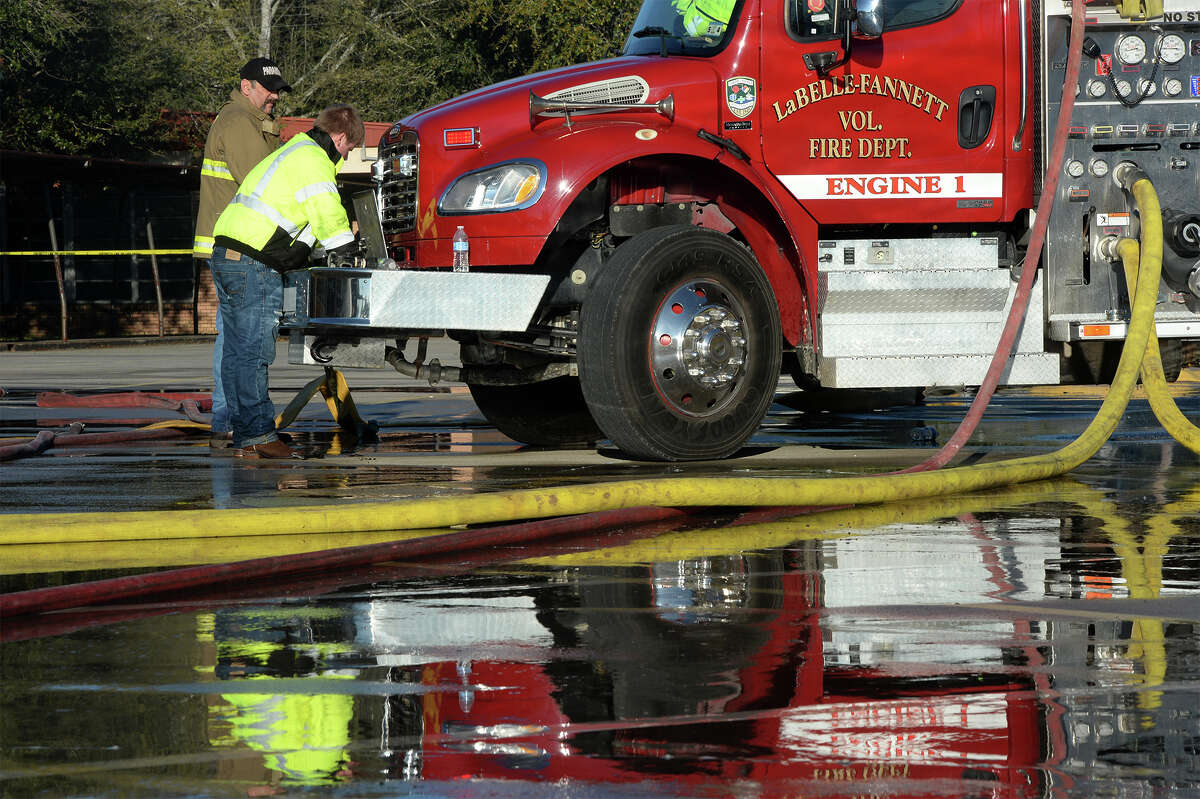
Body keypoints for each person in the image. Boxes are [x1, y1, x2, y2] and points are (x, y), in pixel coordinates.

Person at [210, 104, 365, 459]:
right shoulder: (314, 160)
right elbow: (329, 218)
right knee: (253, 353)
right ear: (340, 137)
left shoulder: (293, 151)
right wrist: (353, 250)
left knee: (236, 353)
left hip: (230, 255)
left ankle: (246, 433)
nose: (345, 157)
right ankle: (258, 439)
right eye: (349, 148)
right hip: (254, 262)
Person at [193, 57, 291, 450]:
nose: (273, 97)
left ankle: (228, 421)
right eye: (267, 89)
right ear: (245, 86)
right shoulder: (238, 122)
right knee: (240, 342)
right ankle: (234, 422)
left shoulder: (251, 122)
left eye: (277, 91)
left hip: (234, 245)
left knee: (233, 339)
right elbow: (264, 181)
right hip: (240, 248)